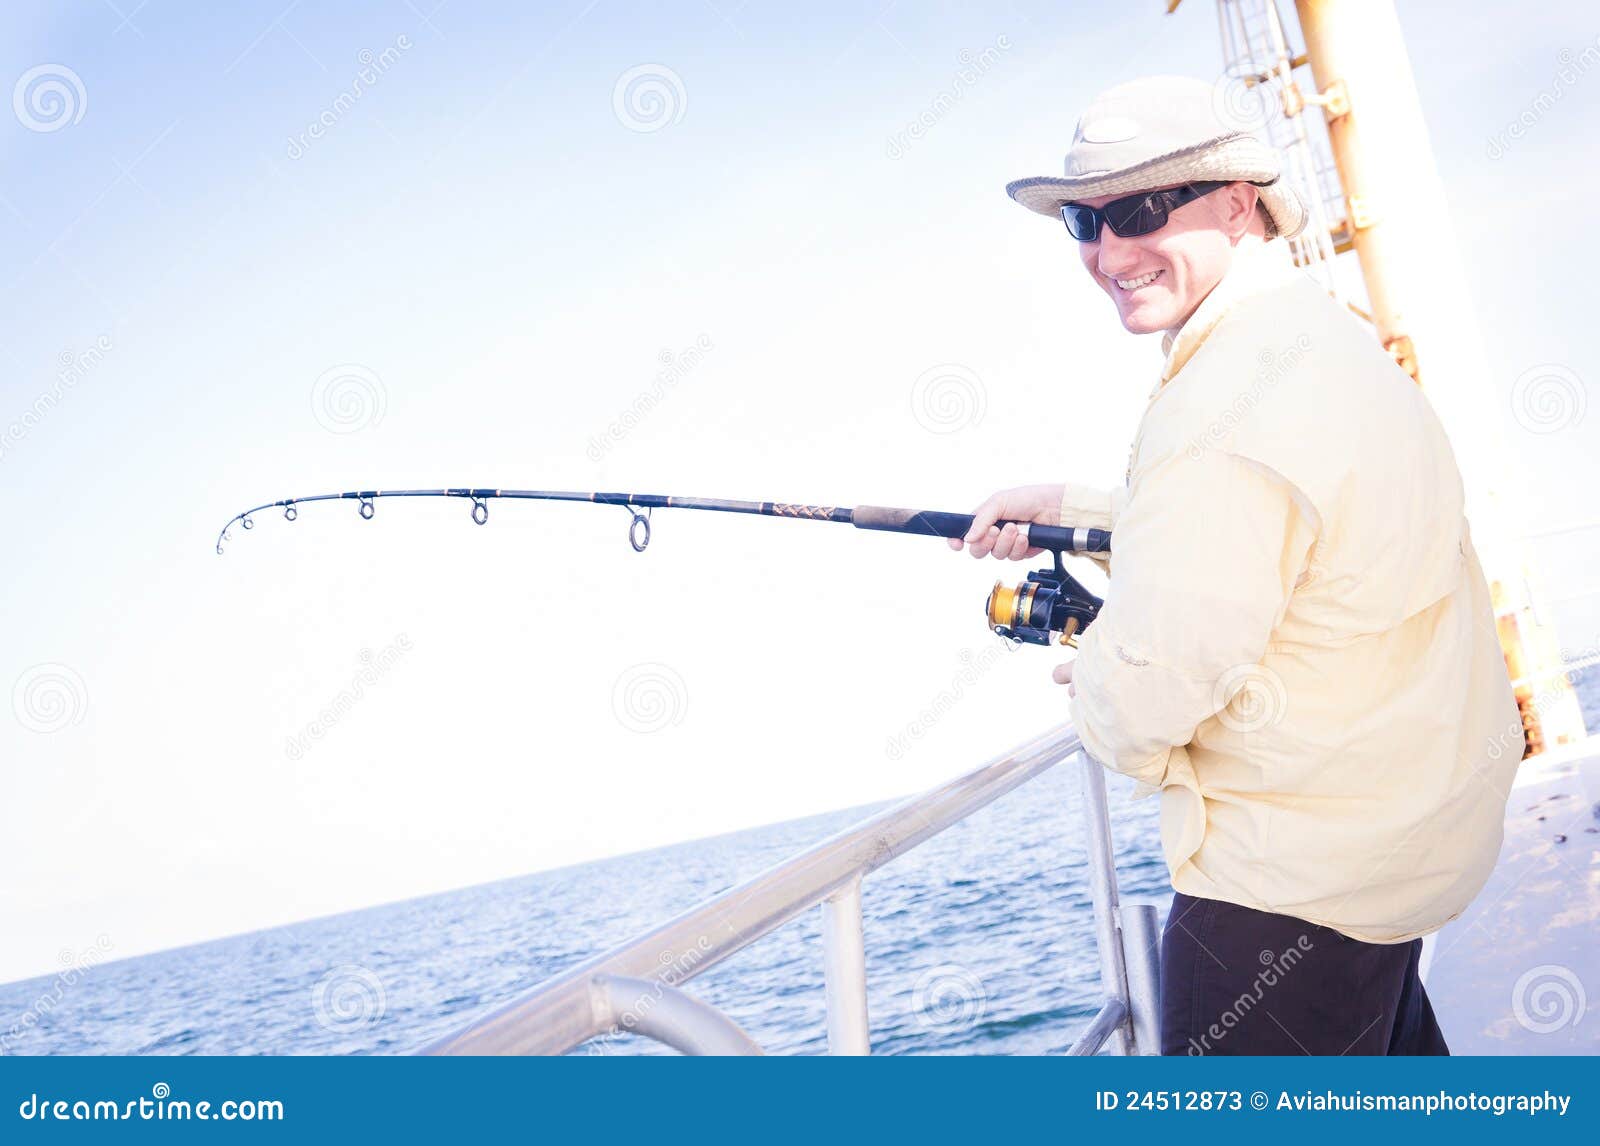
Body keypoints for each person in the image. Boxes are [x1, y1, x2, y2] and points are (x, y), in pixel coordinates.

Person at [950, 75, 1520, 1055]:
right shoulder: (1316, 339)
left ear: (1235, 201)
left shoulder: (1217, 412)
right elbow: (1283, 522)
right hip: (1386, 848)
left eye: (1137, 210)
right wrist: (1077, 511)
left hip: (1288, 892)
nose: (1106, 252)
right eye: (1083, 220)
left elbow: (1148, 701)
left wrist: (1092, 675)